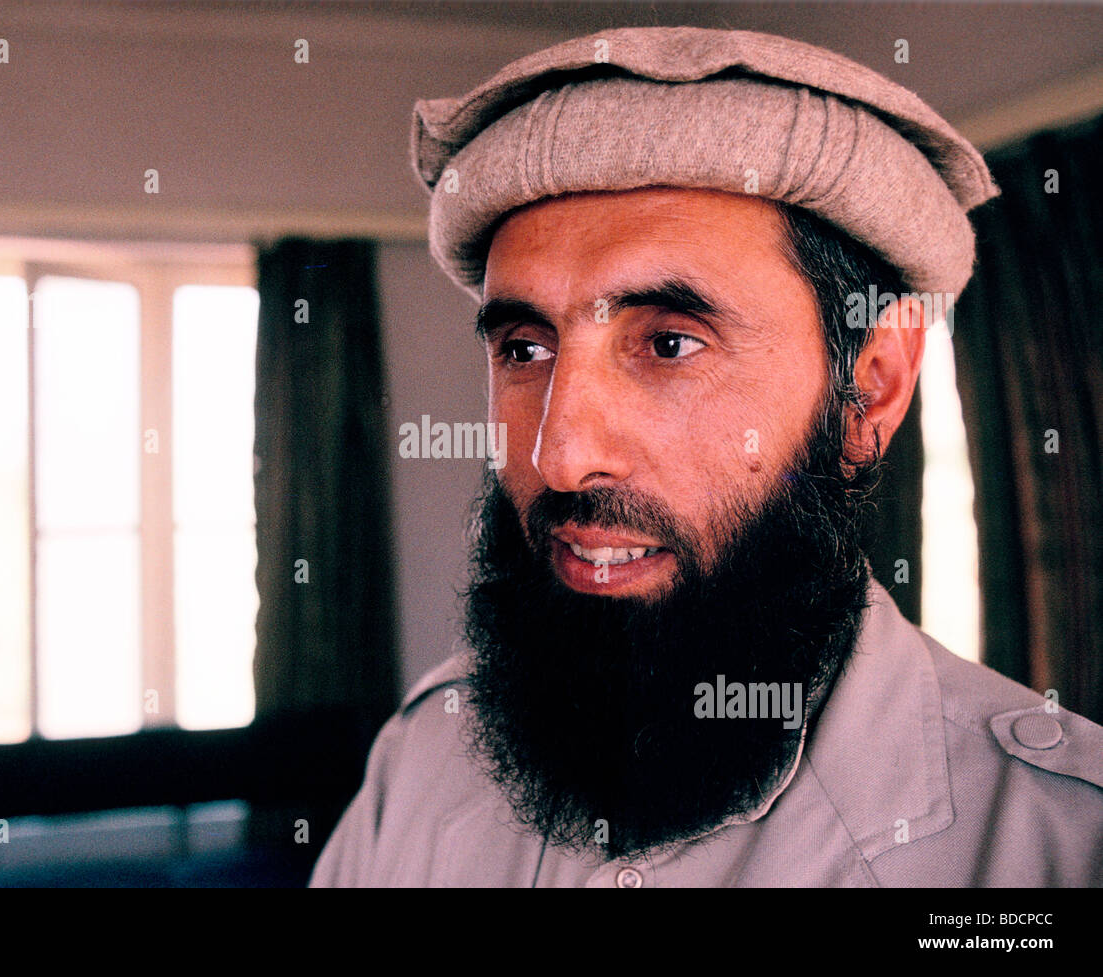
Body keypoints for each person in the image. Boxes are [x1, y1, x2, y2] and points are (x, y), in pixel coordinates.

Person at [309, 26, 1103, 887]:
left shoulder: (1054, 842)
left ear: (870, 388)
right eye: (526, 349)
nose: (564, 455)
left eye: (672, 343)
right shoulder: (422, 763)